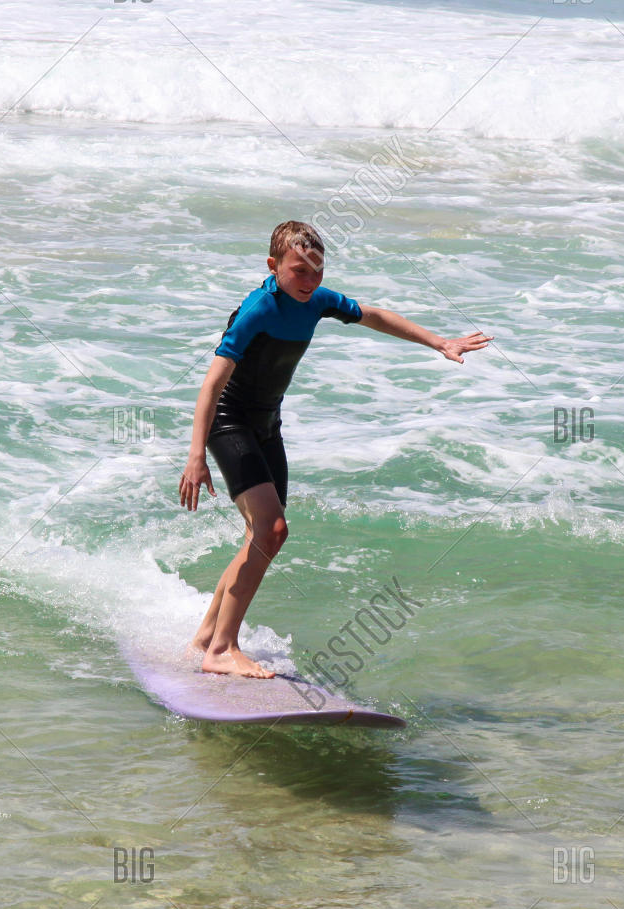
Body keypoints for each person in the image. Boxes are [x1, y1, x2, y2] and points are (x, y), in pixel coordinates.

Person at [179, 220, 492, 677]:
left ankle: (208, 636)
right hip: (231, 424)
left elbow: (375, 315)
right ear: (273, 266)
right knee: (270, 529)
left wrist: (439, 341)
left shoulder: (318, 302)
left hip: (267, 425)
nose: (310, 281)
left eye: (317, 271)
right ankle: (222, 650)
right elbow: (211, 385)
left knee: (267, 535)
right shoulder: (257, 311)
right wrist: (195, 457)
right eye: (299, 271)